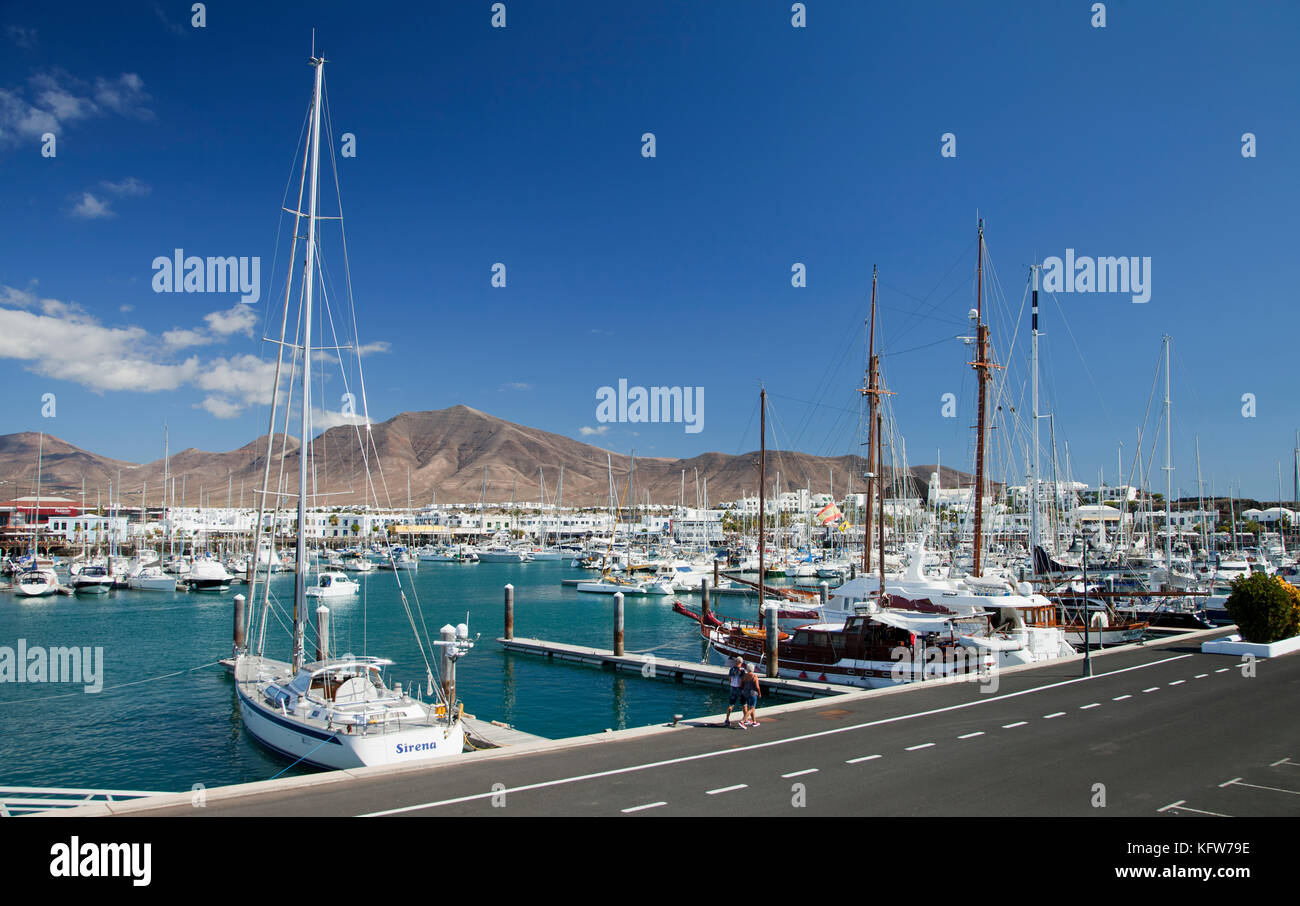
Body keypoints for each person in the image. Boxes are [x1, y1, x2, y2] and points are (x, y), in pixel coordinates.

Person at [724, 657, 746, 727]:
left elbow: (730, 678)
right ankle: (745, 719)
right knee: (744, 704)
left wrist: (731, 684)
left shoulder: (732, 669)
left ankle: (727, 719)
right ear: (741, 662)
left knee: (731, 705)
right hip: (740, 688)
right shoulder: (742, 670)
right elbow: (743, 680)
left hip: (733, 688)